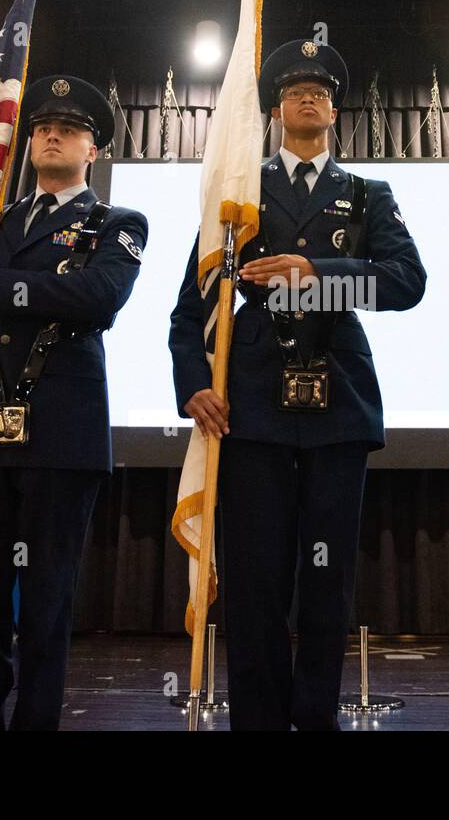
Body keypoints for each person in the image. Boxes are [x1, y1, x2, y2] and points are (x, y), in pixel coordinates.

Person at [169, 39, 426, 730]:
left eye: (320, 90)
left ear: (336, 111)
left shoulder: (369, 193)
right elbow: (189, 306)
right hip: (249, 407)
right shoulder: (238, 192)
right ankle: (257, 720)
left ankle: (315, 718)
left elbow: (407, 283)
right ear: (276, 109)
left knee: (325, 583)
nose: (307, 96)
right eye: (293, 89)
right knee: (253, 586)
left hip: (337, 403)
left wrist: (320, 274)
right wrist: (192, 383)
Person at [0, 75, 147, 730]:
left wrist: (4, 283)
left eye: (68, 129)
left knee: (46, 597)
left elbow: (100, 299)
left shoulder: (115, 222)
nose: (50, 135)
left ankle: (38, 720)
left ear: (92, 150)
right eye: (43, 126)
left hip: (60, 434)